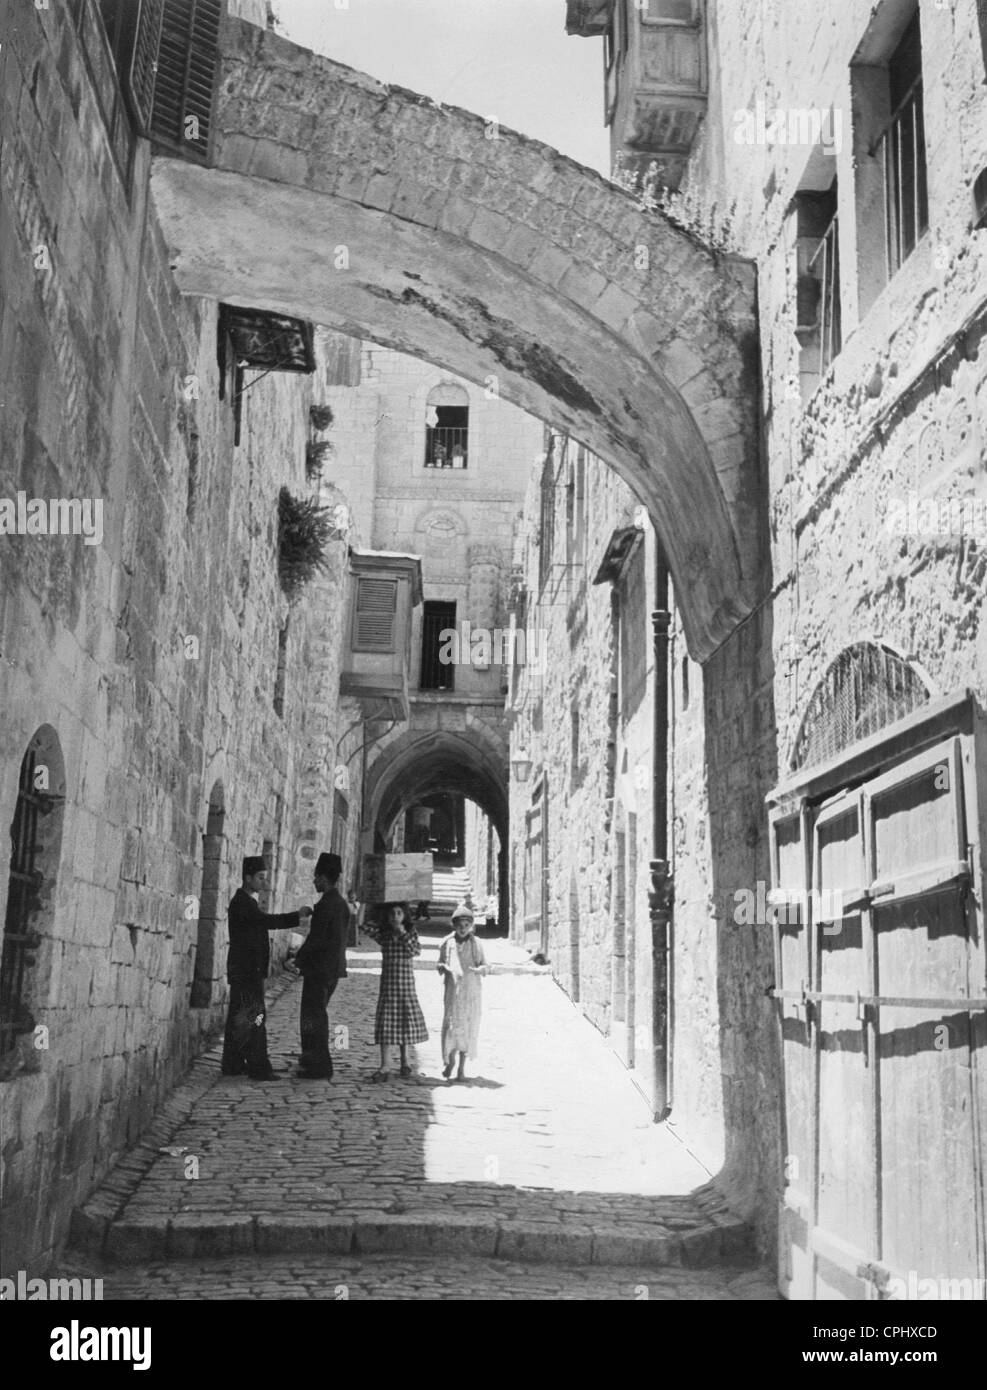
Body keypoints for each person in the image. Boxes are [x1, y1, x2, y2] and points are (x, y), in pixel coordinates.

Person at [221, 856, 311, 1080]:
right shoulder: (243, 903)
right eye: (260, 877)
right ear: (248, 877)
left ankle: (233, 1063)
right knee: (255, 1017)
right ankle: (258, 1067)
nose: (264, 882)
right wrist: (296, 916)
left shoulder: (246, 902)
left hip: (244, 970)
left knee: (241, 1017)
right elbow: (266, 921)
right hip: (247, 971)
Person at [294, 852, 349, 1080]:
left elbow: (316, 939)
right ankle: (312, 1059)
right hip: (332, 970)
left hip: (319, 970)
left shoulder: (327, 905)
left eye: (316, 877)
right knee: (317, 1014)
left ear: (324, 878)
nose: (314, 881)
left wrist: (297, 959)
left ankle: (318, 1064)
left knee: (313, 1016)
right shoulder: (341, 904)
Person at [361, 902, 428, 1080]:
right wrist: (378, 912)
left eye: (399, 913)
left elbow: (415, 951)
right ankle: (385, 1064)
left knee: (404, 1023)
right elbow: (365, 927)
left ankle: (405, 1061)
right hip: (388, 986)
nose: (395, 917)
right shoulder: (384, 934)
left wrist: (403, 933)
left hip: (405, 986)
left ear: (405, 916)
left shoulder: (411, 934)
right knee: (386, 1023)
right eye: (392, 914)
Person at [437, 902, 487, 1081]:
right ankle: (450, 1061)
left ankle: (461, 1069)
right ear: (454, 926)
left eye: (466, 926)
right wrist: (443, 967)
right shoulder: (448, 943)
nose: (463, 929)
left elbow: (484, 965)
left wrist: (481, 970)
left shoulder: (476, 944)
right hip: (453, 992)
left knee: (468, 1027)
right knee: (452, 1026)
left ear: (471, 926)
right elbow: (440, 963)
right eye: (459, 926)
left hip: (470, 992)